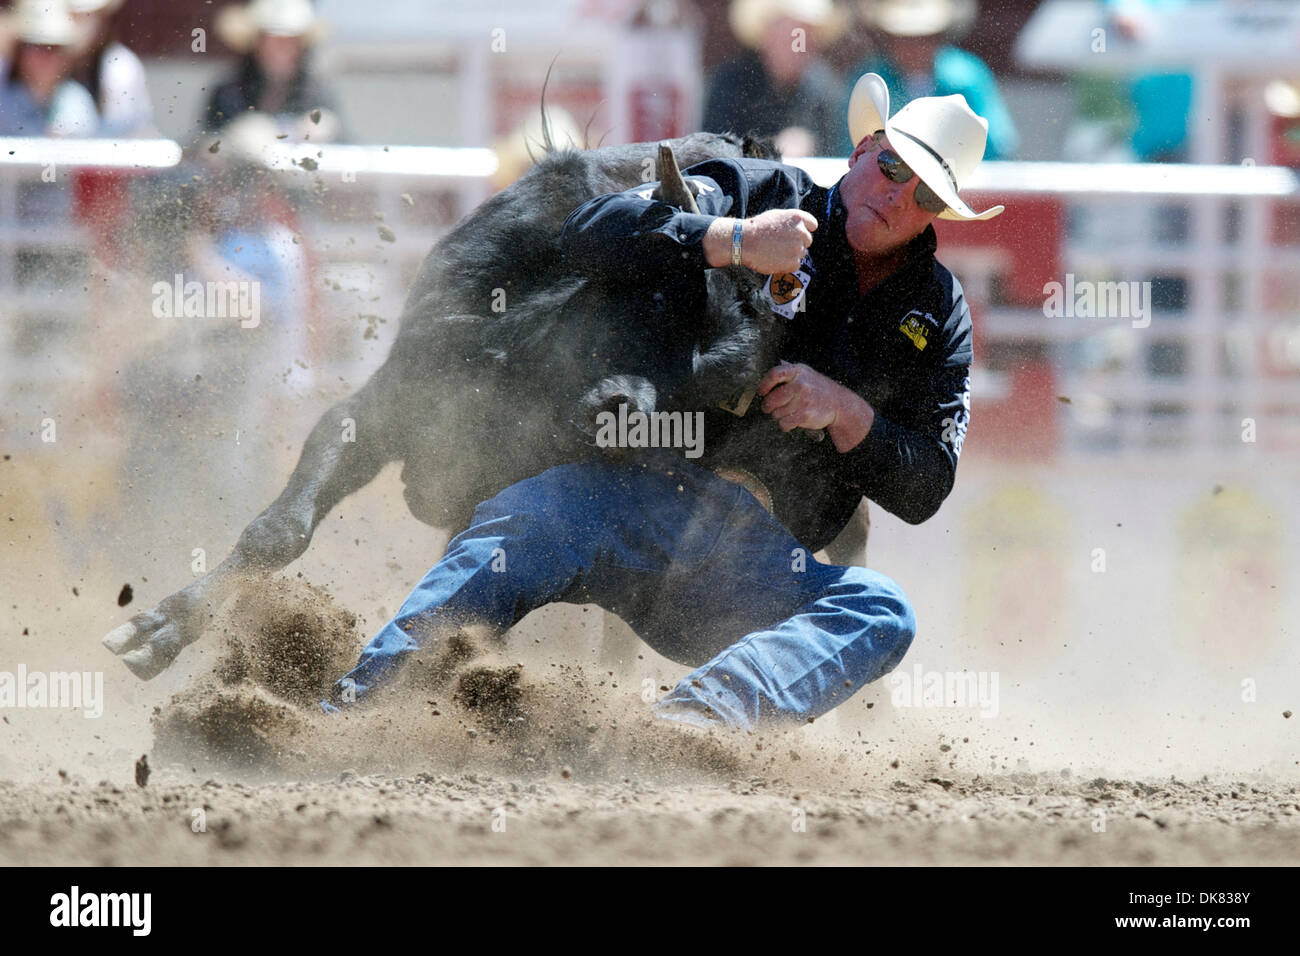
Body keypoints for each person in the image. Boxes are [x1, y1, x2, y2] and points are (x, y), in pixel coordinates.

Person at [323, 73, 1003, 732]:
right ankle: (360, 707)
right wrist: (732, 239)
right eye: (891, 168)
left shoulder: (937, 314)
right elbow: (591, 230)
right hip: (632, 495)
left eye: (928, 196)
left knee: (880, 610)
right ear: (861, 151)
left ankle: (690, 726)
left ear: (940, 216)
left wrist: (845, 412)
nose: (898, 198)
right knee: (532, 517)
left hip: (753, 566)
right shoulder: (757, 192)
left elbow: (925, 487)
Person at [846, 0, 1017, 160]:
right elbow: (853, 146)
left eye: (923, 38)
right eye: (904, 38)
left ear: (939, 38)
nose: (913, 47)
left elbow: (997, 145)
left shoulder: (967, 78)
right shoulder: (870, 78)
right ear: (889, 40)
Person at [703, 0, 847, 158]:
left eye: (808, 34)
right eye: (793, 34)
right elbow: (713, 150)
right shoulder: (731, 82)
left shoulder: (824, 87)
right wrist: (768, 149)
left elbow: (836, 153)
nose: (801, 45)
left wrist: (812, 145)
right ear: (768, 36)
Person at [202, 0, 341, 142]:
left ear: (302, 45)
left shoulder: (318, 90)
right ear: (257, 43)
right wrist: (236, 137)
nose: (283, 49)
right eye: (274, 40)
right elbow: (205, 144)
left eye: (290, 41)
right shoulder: (228, 91)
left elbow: (348, 147)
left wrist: (327, 130)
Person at [0, 0, 96, 137]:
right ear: (19, 51)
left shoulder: (78, 102)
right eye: (35, 46)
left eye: (53, 48)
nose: (45, 56)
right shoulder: (2, 96)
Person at [67, 0, 153, 137]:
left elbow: (124, 133)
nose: (77, 25)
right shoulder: (42, 61)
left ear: (102, 19)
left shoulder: (121, 69)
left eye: (85, 16)